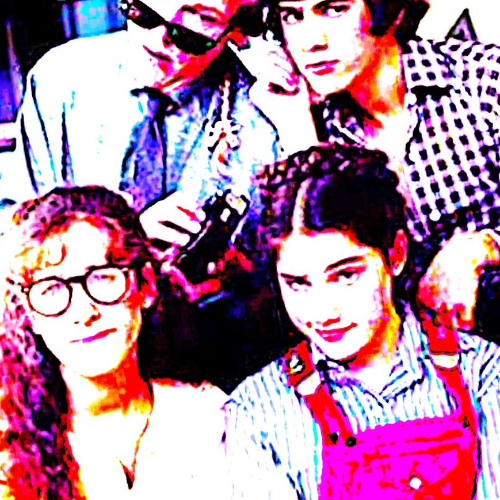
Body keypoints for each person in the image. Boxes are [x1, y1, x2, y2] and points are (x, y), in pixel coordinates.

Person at [224, 146, 500, 500]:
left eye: (346, 276)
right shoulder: (257, 410)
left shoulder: (483, 373)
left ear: (395, 254)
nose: (323, 311)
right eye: (297, 283)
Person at [241, 0, 500, 333]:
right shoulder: (316, 130)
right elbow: (326, 272)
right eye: (292, 16)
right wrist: (297, 127)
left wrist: (484, 245)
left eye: (333, 10)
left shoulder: (481, 79)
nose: (311, 41)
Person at [0, 186, 228, 499]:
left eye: (102, 278)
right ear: (32, 315)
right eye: (52, 290)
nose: (84, 313)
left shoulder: (209, 417)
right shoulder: (9, 452)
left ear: (145, 285)